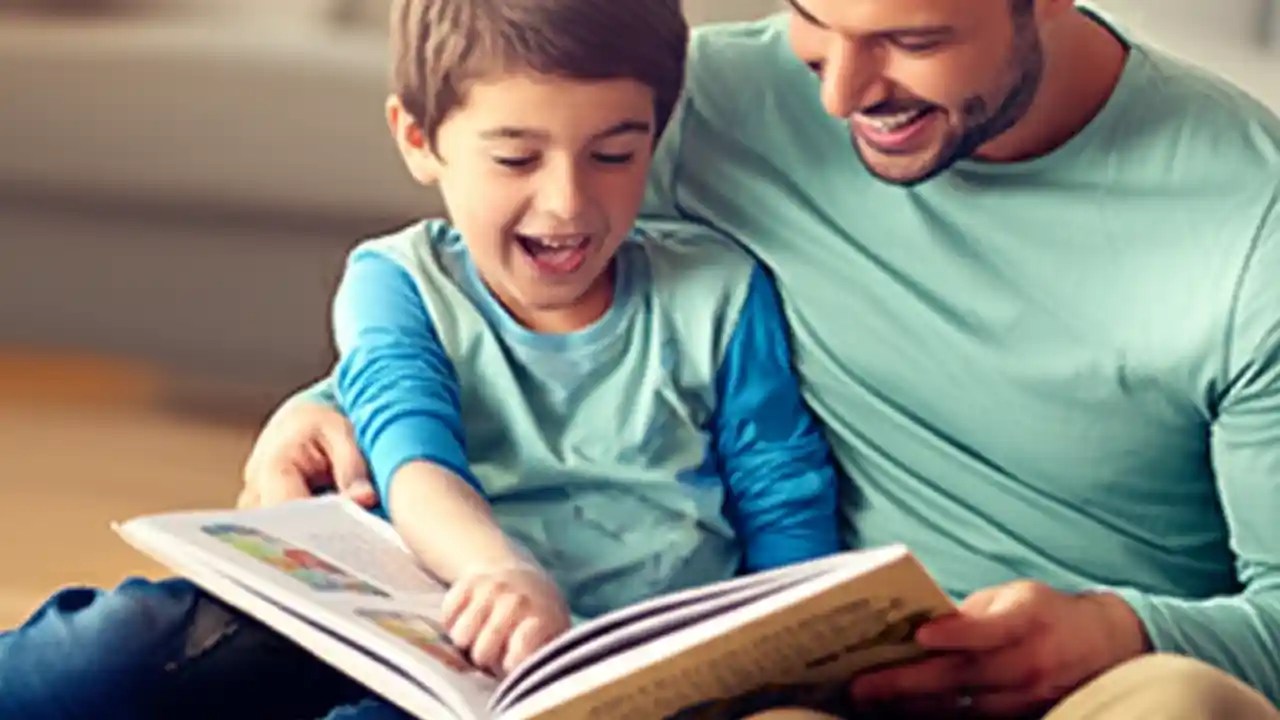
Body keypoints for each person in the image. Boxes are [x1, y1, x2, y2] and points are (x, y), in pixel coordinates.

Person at [243, 0, 1280, 718]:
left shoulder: (1250, 222)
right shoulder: (717, 103)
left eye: (909, 39)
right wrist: (327, 402)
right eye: (815, 28)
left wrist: (1118, 633)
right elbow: (531, 277)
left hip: (1088, 694)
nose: (838, 100)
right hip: (806, 683)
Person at [0, 0, 845, 718]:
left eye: (615, 155)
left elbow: (782, 491)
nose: (568, 201)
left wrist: (774, 655)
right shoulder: (397, 282)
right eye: (516, 158)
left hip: (619, 679)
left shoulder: (721, 292)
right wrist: (501, 572)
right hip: (416, 634)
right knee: (118, 648)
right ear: (418, 136)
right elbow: (412, 461)